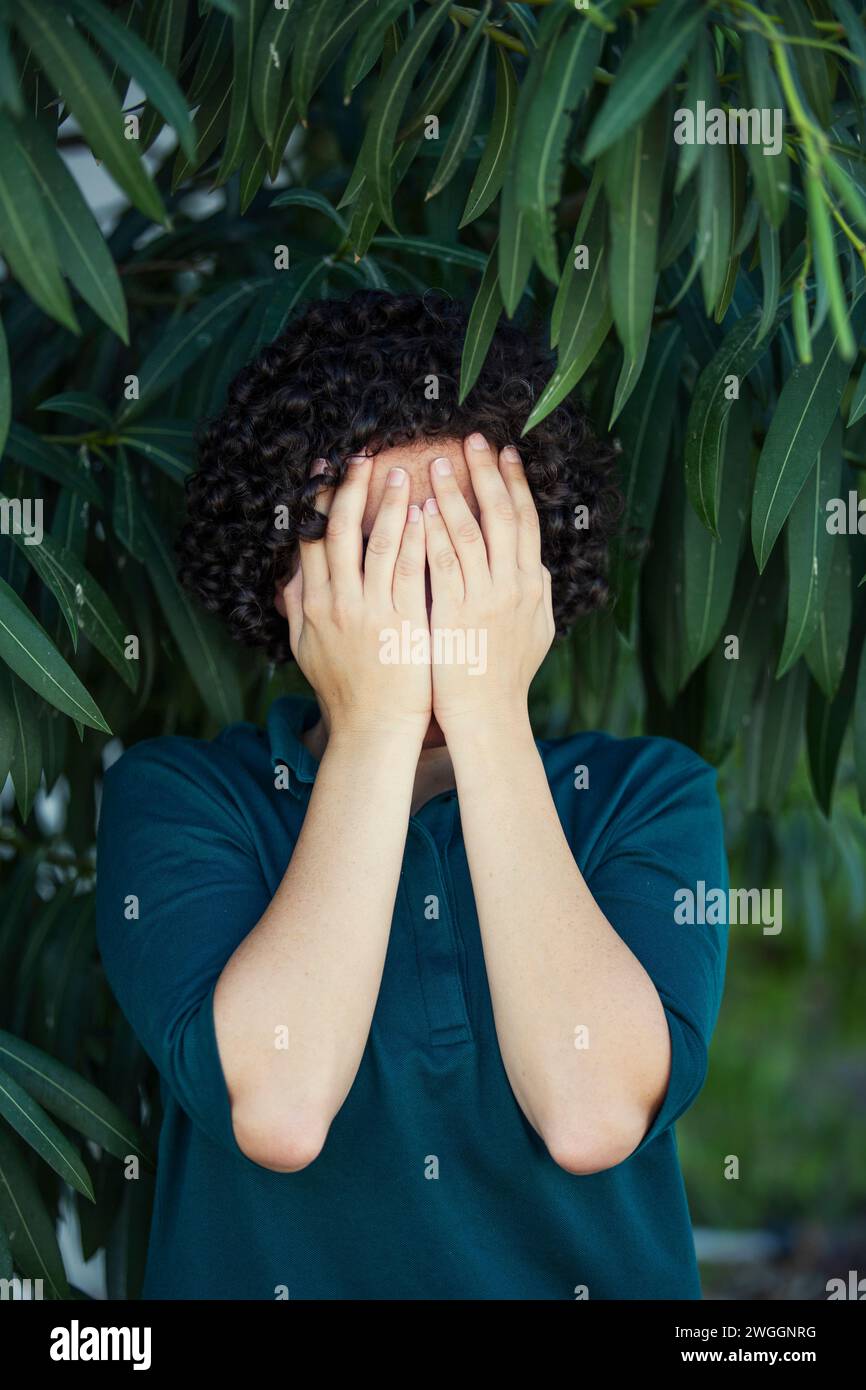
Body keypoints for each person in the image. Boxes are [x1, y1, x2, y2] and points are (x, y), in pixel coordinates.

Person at [96, 289, 728, 1300]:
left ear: (529, 563)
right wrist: (379, 721)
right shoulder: (179, 799)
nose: (425, 590)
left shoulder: (644, 796)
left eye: (470, 546)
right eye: (375, 549)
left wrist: (482, 712)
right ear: (287, 577)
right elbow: (281, 1106)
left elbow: (590, 1112)